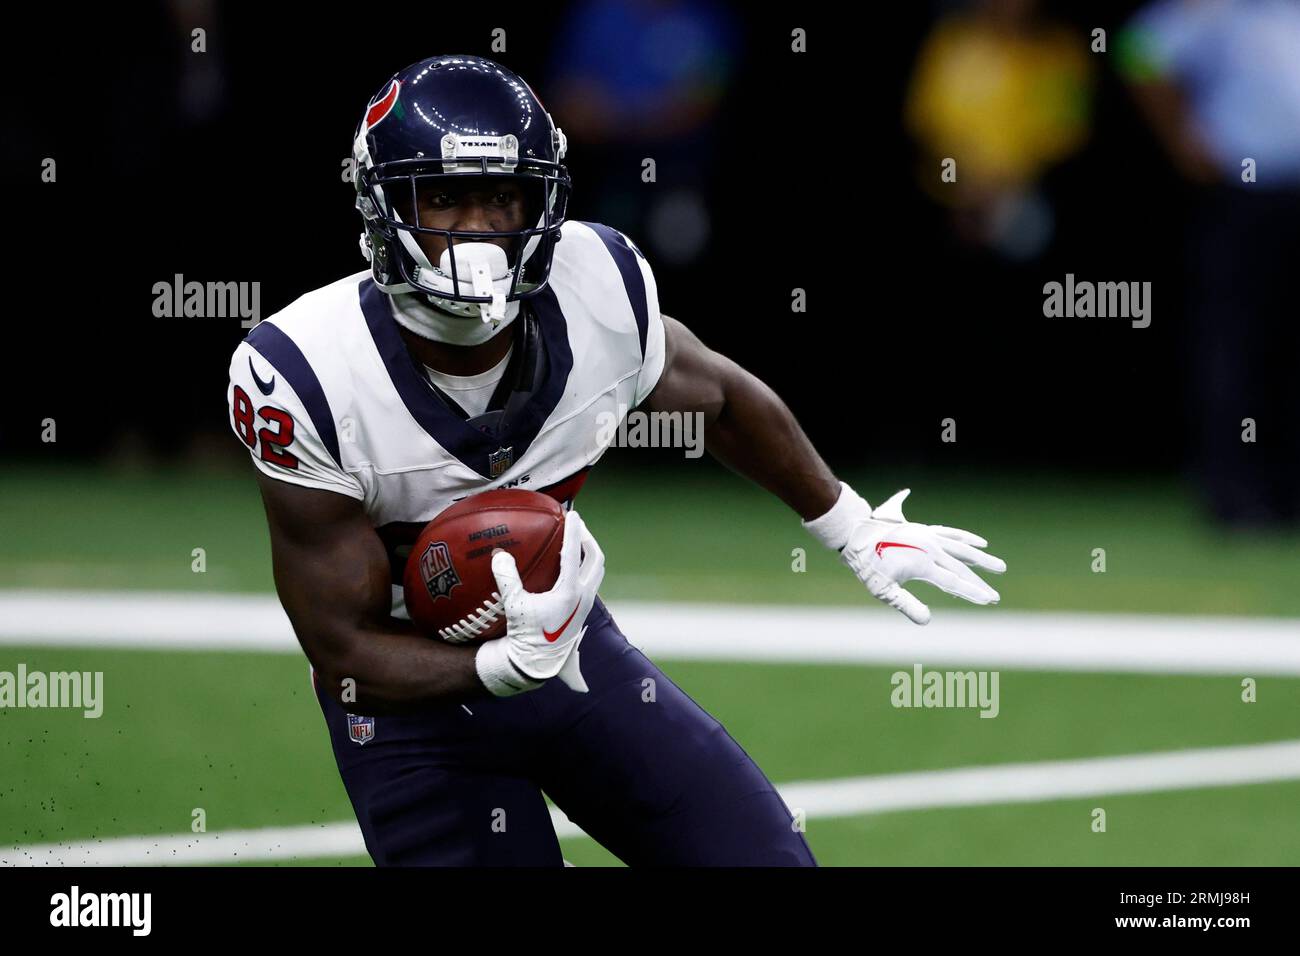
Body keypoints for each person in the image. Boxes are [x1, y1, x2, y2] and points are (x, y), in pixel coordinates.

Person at [226, 55, 1006, 866]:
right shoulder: (305, 370)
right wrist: (499, 667)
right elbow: (344, 651)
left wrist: (849, 524)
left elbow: (724, 402)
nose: (479, 232)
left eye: (502, 196)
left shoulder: (598, 286)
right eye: (444, 197)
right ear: (383, 207)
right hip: (407, 707)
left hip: (571, 647)